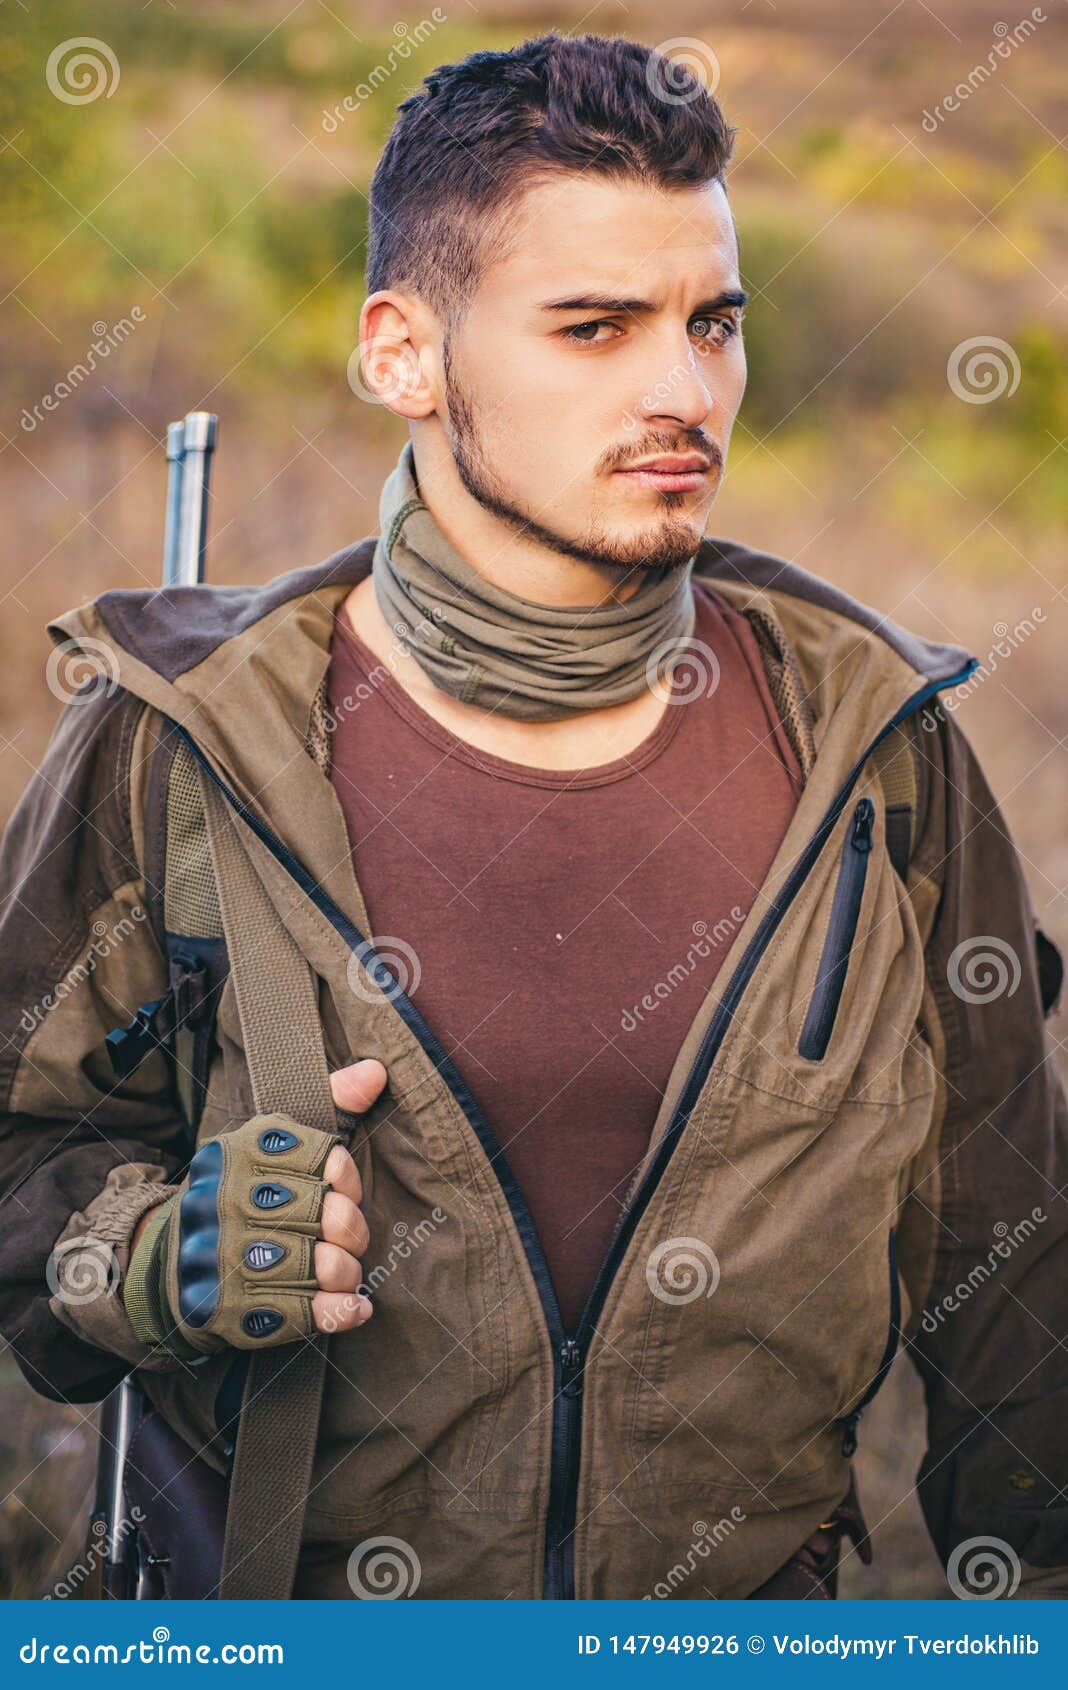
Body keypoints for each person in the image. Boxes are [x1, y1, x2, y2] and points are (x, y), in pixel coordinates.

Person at [1, 31, 1065, 1602]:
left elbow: (1014, 1287)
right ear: (402, 355)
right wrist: (165, 1256)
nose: (681, 388)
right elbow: (27, 1160)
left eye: (713, 322)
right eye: (595, 326)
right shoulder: (181, 737)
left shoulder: (881, 753)